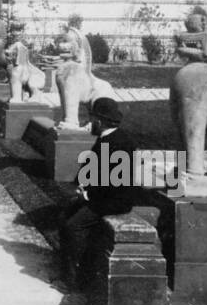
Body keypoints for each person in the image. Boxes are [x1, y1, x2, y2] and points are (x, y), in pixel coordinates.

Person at [59, 98, 166, 289]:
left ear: (99, 121)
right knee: (66, 213)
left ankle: (75, 282)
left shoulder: (118, 144)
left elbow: (115, 184)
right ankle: (70, 271)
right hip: (104, 195)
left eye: (91, 119)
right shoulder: (108, 138)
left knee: (72, 227)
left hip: (114, 201)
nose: (90, 123)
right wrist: (82, 185)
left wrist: (88, 196)